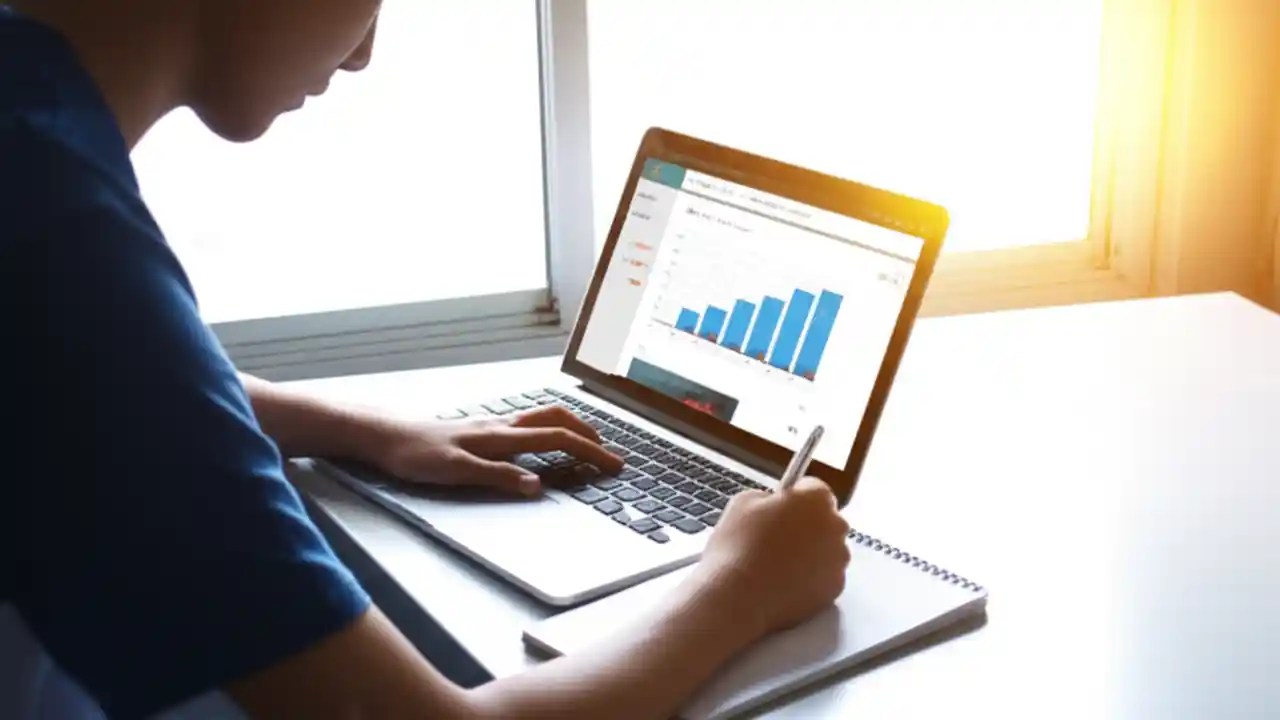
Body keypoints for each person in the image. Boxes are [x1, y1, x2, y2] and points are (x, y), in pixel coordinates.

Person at [0, 1, 853, 718]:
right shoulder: (59, 240)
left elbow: (129, 383)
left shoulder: (32, 133)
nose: (367, 50)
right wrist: (740, 588)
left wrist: (366, 430)